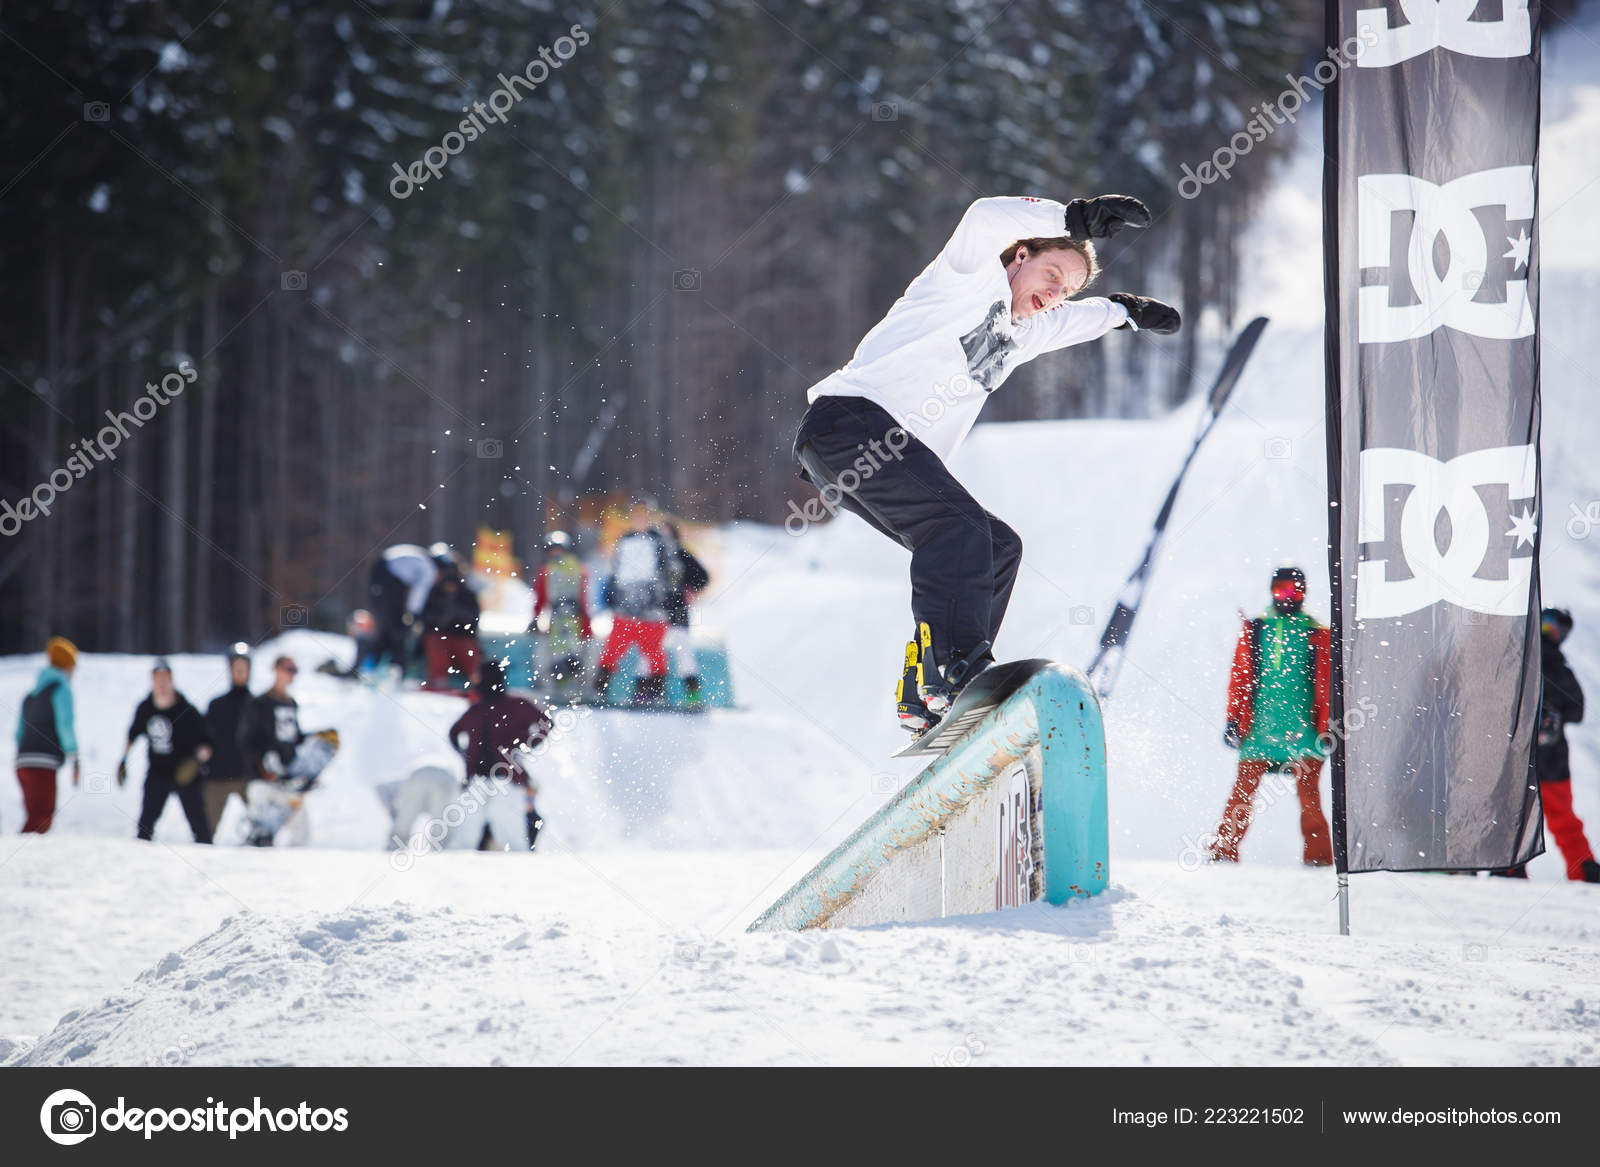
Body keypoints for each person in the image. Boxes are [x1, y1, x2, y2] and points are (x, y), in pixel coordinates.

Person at [790, 194, 1179, 731]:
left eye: (1064, 290)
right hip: (851, 422)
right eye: (1051, 275)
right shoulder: (969, 277)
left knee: (997, 546)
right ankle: (956, 671)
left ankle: (925, 693)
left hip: (862, 453)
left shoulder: (1026, 331)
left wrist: (1126, 313)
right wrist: (1075, 219)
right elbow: (983, 215)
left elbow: (1078, 321)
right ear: (1020, 255)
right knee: (958, 529)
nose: (1054, 295)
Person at [1208, 567, 1334, 867]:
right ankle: (1223, 851)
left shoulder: (1317, 634)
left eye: (1295, 590)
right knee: (1242, 793)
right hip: (1259, 730)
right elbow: (1240, 679)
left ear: (1304, 593)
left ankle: (1318, 859)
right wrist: (1233, 720)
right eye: (1282, 590)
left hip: (1304, 731)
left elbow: (1327, 685)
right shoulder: (1257, 630)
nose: (1288, 597)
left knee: (1309, 799)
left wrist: (1327, 725)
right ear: (1272, 592)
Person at [1498, 609, 1599, 882]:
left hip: (1541, 757)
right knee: (1524, 814)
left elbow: (1576, 710)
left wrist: (1550, 712)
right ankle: (1579, 869)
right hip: (1538, 757)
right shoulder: (1526, 663)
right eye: (1545, 624)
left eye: (1553, 627)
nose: (1547, 631)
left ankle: (1512, 866)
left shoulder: (1530, 664)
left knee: (1534, 814)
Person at [447, 659, 553, 851]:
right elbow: (546, 723)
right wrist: (526, 745)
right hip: (501, 778)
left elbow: (454, 733)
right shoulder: (514, 705)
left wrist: (466, 756)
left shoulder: (478, 710)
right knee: (511, 838)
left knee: (468, 839)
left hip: (488, 780)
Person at [121, 658, 214, 844]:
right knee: (146, 824)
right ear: (152, 681)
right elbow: (133, 734)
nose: (162, 684)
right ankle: (139, 855)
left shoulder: (186, 709)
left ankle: (206, 855)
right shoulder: (146, 708)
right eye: (158, 680)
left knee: (200, 826)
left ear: (172, 681)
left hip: (185, 773)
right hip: (158, 771)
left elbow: (207, 742)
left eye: (165, 679)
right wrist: (123, 760)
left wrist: (196, 761)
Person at [593, 509, 674, 705]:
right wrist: (613, 597)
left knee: (654, 653)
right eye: (638, 516)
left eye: (644, 516)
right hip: (625, 609)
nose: (640, 520)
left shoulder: (660, 542)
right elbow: (616, 571)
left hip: (652, 611)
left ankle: (657, 693)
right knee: (612, 651)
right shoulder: (625, 541)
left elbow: (670, 572)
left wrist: (664, 598)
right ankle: (599, 689)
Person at [238, 655, 307, 846]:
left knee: (301, 833)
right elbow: (246, 740)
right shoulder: (259, 703)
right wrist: (262, 763)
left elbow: (294, 739)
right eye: (288, 669)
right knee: (262, 834)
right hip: (262, 781)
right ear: (275, 669)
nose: (291, 675)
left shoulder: (291, 703)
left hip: (287, 780)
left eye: (295, 670)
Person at [13, 636, 79, 833]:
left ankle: (21, 849)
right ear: (67, 666)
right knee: (41, 818)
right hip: (44, 761)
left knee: (34, 815)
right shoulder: (61, 689)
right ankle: (18, 852)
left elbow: (19, 733)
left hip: (22, 762)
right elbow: (65, 725)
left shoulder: (30, 695)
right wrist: (73, 754)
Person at [361, 543, 443, 677]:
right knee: (397, 631)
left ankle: (369, 668)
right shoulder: (429, 568)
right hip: (388, 578)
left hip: (381, 573)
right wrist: (414, 614)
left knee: (387, 630)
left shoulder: (420, 557)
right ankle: (394, 670)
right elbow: (419, 592)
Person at [531, 530, 592, 697]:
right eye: (552, 551)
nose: (555, 554)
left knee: (570, 660)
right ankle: (559, 693)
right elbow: (541, 600)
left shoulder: (576, 571)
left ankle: (569, 694)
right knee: (559, 660)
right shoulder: (573, 570)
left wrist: (586, 626)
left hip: (571, 624)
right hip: (561, 624)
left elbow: (583, 600)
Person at [202, 643, 255, 836]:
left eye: (243, 667)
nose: (240, 671)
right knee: (205, 834)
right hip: (218, 777)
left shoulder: (258, 705)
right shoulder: (216, 705)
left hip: (249, 778)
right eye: (236, 666)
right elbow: (203, 737)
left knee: (263, 832)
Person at [658, 522, 710, 708]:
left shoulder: (682, 555)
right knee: (652, 653)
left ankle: (693, 696)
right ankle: (651, 692)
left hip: (678, 611)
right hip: (655, 613)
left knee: (684, 654)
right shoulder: (654, 556)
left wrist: (691, 589)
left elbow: (703, 577)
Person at [419, 559, 482, 691]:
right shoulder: (434, 593)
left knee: (469, 653)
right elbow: (425, 618)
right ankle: (438, 682)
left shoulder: (467, 595)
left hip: (462, 637)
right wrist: (441, 617)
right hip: (439, 636)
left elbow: (474, 619)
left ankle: (477, 683)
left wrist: (459, 615)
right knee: (437, 645)